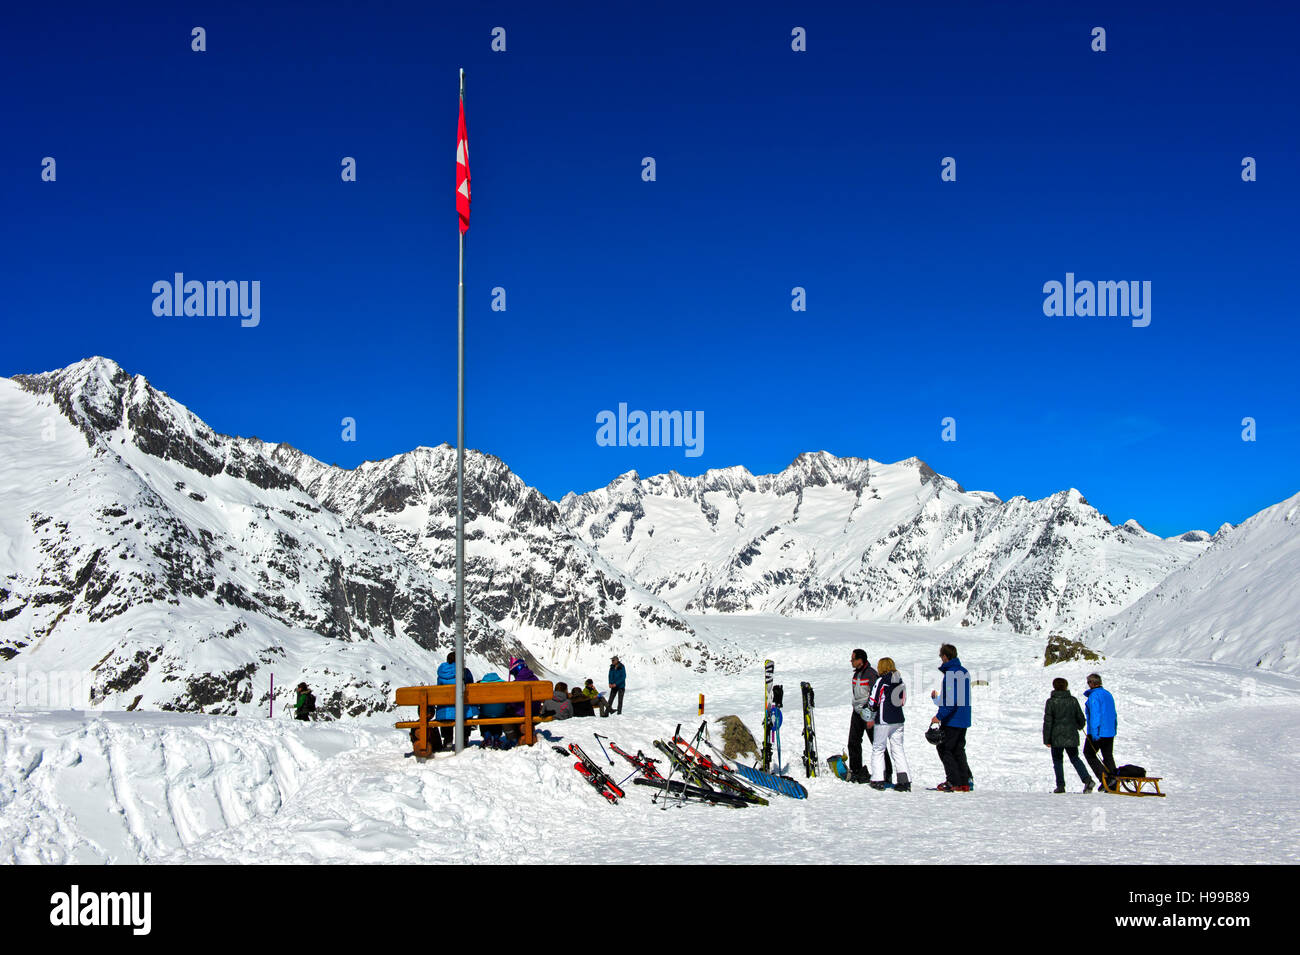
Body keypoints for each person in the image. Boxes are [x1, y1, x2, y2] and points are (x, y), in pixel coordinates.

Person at [930, 643, 972, 792]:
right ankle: (964, 781)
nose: (941, 659)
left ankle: (953, 781)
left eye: (941, 656)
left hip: (952, 719)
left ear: (945, 657)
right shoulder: (964, 672)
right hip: (963, 718)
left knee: (945, 748)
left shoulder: (950, 674)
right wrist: (938, 700)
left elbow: (952, 699)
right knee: (958, 749)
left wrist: (939, 716)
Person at [1043, 677, 1094, 793]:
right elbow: (1080, 718)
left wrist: (1047, 739)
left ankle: (1060, 785)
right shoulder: (1073, 700)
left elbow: (1048, 721)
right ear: (1066, 686)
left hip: (1056, 736)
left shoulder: (1051, 702)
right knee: (1075, 758)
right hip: (1071, 735)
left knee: (1057, 760)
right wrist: (1079, 726)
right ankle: (1087, 779)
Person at [867, 657, 911, 791]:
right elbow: (903, 700)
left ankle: (877, 779)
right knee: (898, 748)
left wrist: (871, 710)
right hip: (898, 719)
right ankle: (904, 780)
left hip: (883, 720)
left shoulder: (881, 681)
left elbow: (873, 701)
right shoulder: (900, 680)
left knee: (878, 748)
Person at [848, 649, 890, 785]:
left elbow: (875, 696)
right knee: (853, 742)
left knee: (877, 744)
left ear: (860, 660)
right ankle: (856, 770)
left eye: (853, 659)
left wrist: (871, 714)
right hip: (857, 712)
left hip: (869, 714)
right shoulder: (856, 675)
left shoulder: (871, 674)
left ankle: (886, 772)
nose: (851, 662)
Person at [1082, 673, 1118, 790]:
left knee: (1089, 753)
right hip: (1109, 731)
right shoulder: (1108, 694)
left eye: (1088, 682)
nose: (1088, 685)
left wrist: (1094, 732)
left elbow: (1095, 715)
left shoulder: (1094, 696)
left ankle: (1106, 779)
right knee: (1107, 756)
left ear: (1092, 683)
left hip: (1098, 731)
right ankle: (1114, 781)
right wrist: (1114, 728)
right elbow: (1113, 713)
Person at [436, 652, 477, 749]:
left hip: (445, 711)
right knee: (466, 712)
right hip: (463, 711)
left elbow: (439, 688)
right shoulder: (465, 672)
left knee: (446, 711)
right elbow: (470, 685)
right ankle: (464, 739)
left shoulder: (442, 673)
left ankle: (447, 739)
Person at [478, 672, 509, 749]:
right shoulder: (503, 685)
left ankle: (487, 738)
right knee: (498, 713)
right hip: (500, 713)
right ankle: (496, 739)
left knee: (482, 715)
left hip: (485, 714)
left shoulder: (480, 686)